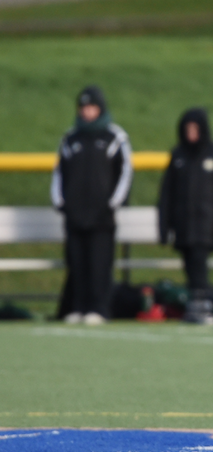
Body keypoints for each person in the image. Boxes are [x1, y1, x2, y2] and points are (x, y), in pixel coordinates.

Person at [50, 85, 133, 326]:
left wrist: (113, 203)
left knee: (99, 265)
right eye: (84, 108)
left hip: (101, 216)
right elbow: (59, 173)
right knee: (76, 263)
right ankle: (78, 307)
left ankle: (99, 308)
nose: (87, 112)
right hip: (75, 215)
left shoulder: (115, 137)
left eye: (92, 107)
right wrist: (61, 202)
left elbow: (126, 171)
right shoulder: (70, 138)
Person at [158, 107, 213, 325]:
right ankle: (194, 306)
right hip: (183, 225)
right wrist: (164, 227)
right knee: (190, 267)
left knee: (200, 267)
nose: (192, 133)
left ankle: (202, 306)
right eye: (188, 128)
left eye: (195, 128)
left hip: (206, 224)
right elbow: (167, 194)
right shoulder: (178, 155)